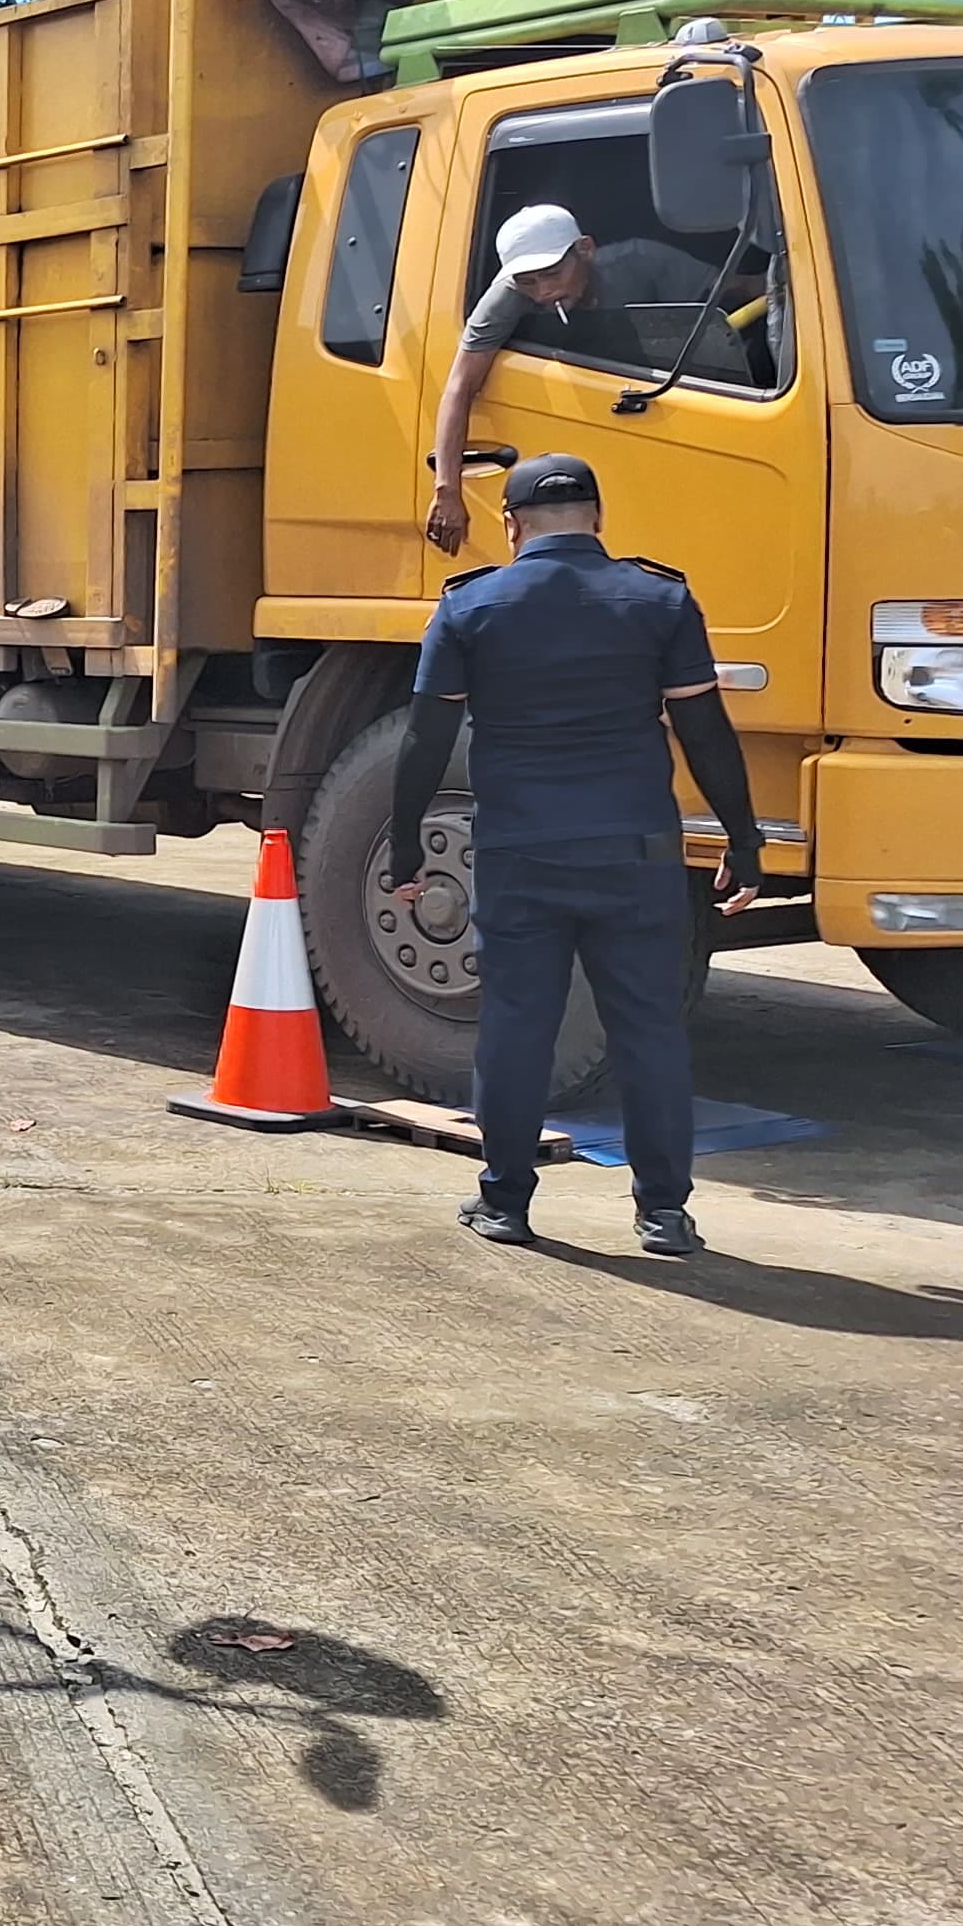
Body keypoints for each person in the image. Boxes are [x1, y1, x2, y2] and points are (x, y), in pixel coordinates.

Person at [388, 455, 765, 1255]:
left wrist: (407, 841)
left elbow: (425, 737)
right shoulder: (659, 599)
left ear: (510, 524)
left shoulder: (471, 606)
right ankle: (664, 1213)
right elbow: (705, 731)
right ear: (598, 518)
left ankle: (505, 1203)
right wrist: (743, 835)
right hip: (635, 853)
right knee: (649, 1030)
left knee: (518, 1026)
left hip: (521, 853)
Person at [426, 204, 762, 552]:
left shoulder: (640, 260)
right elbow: (459, 387)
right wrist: (447, 490)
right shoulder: (506, 299)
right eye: (527, 281)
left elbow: (740, 290)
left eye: (552, 274)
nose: (541, 292)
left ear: (586, 249)